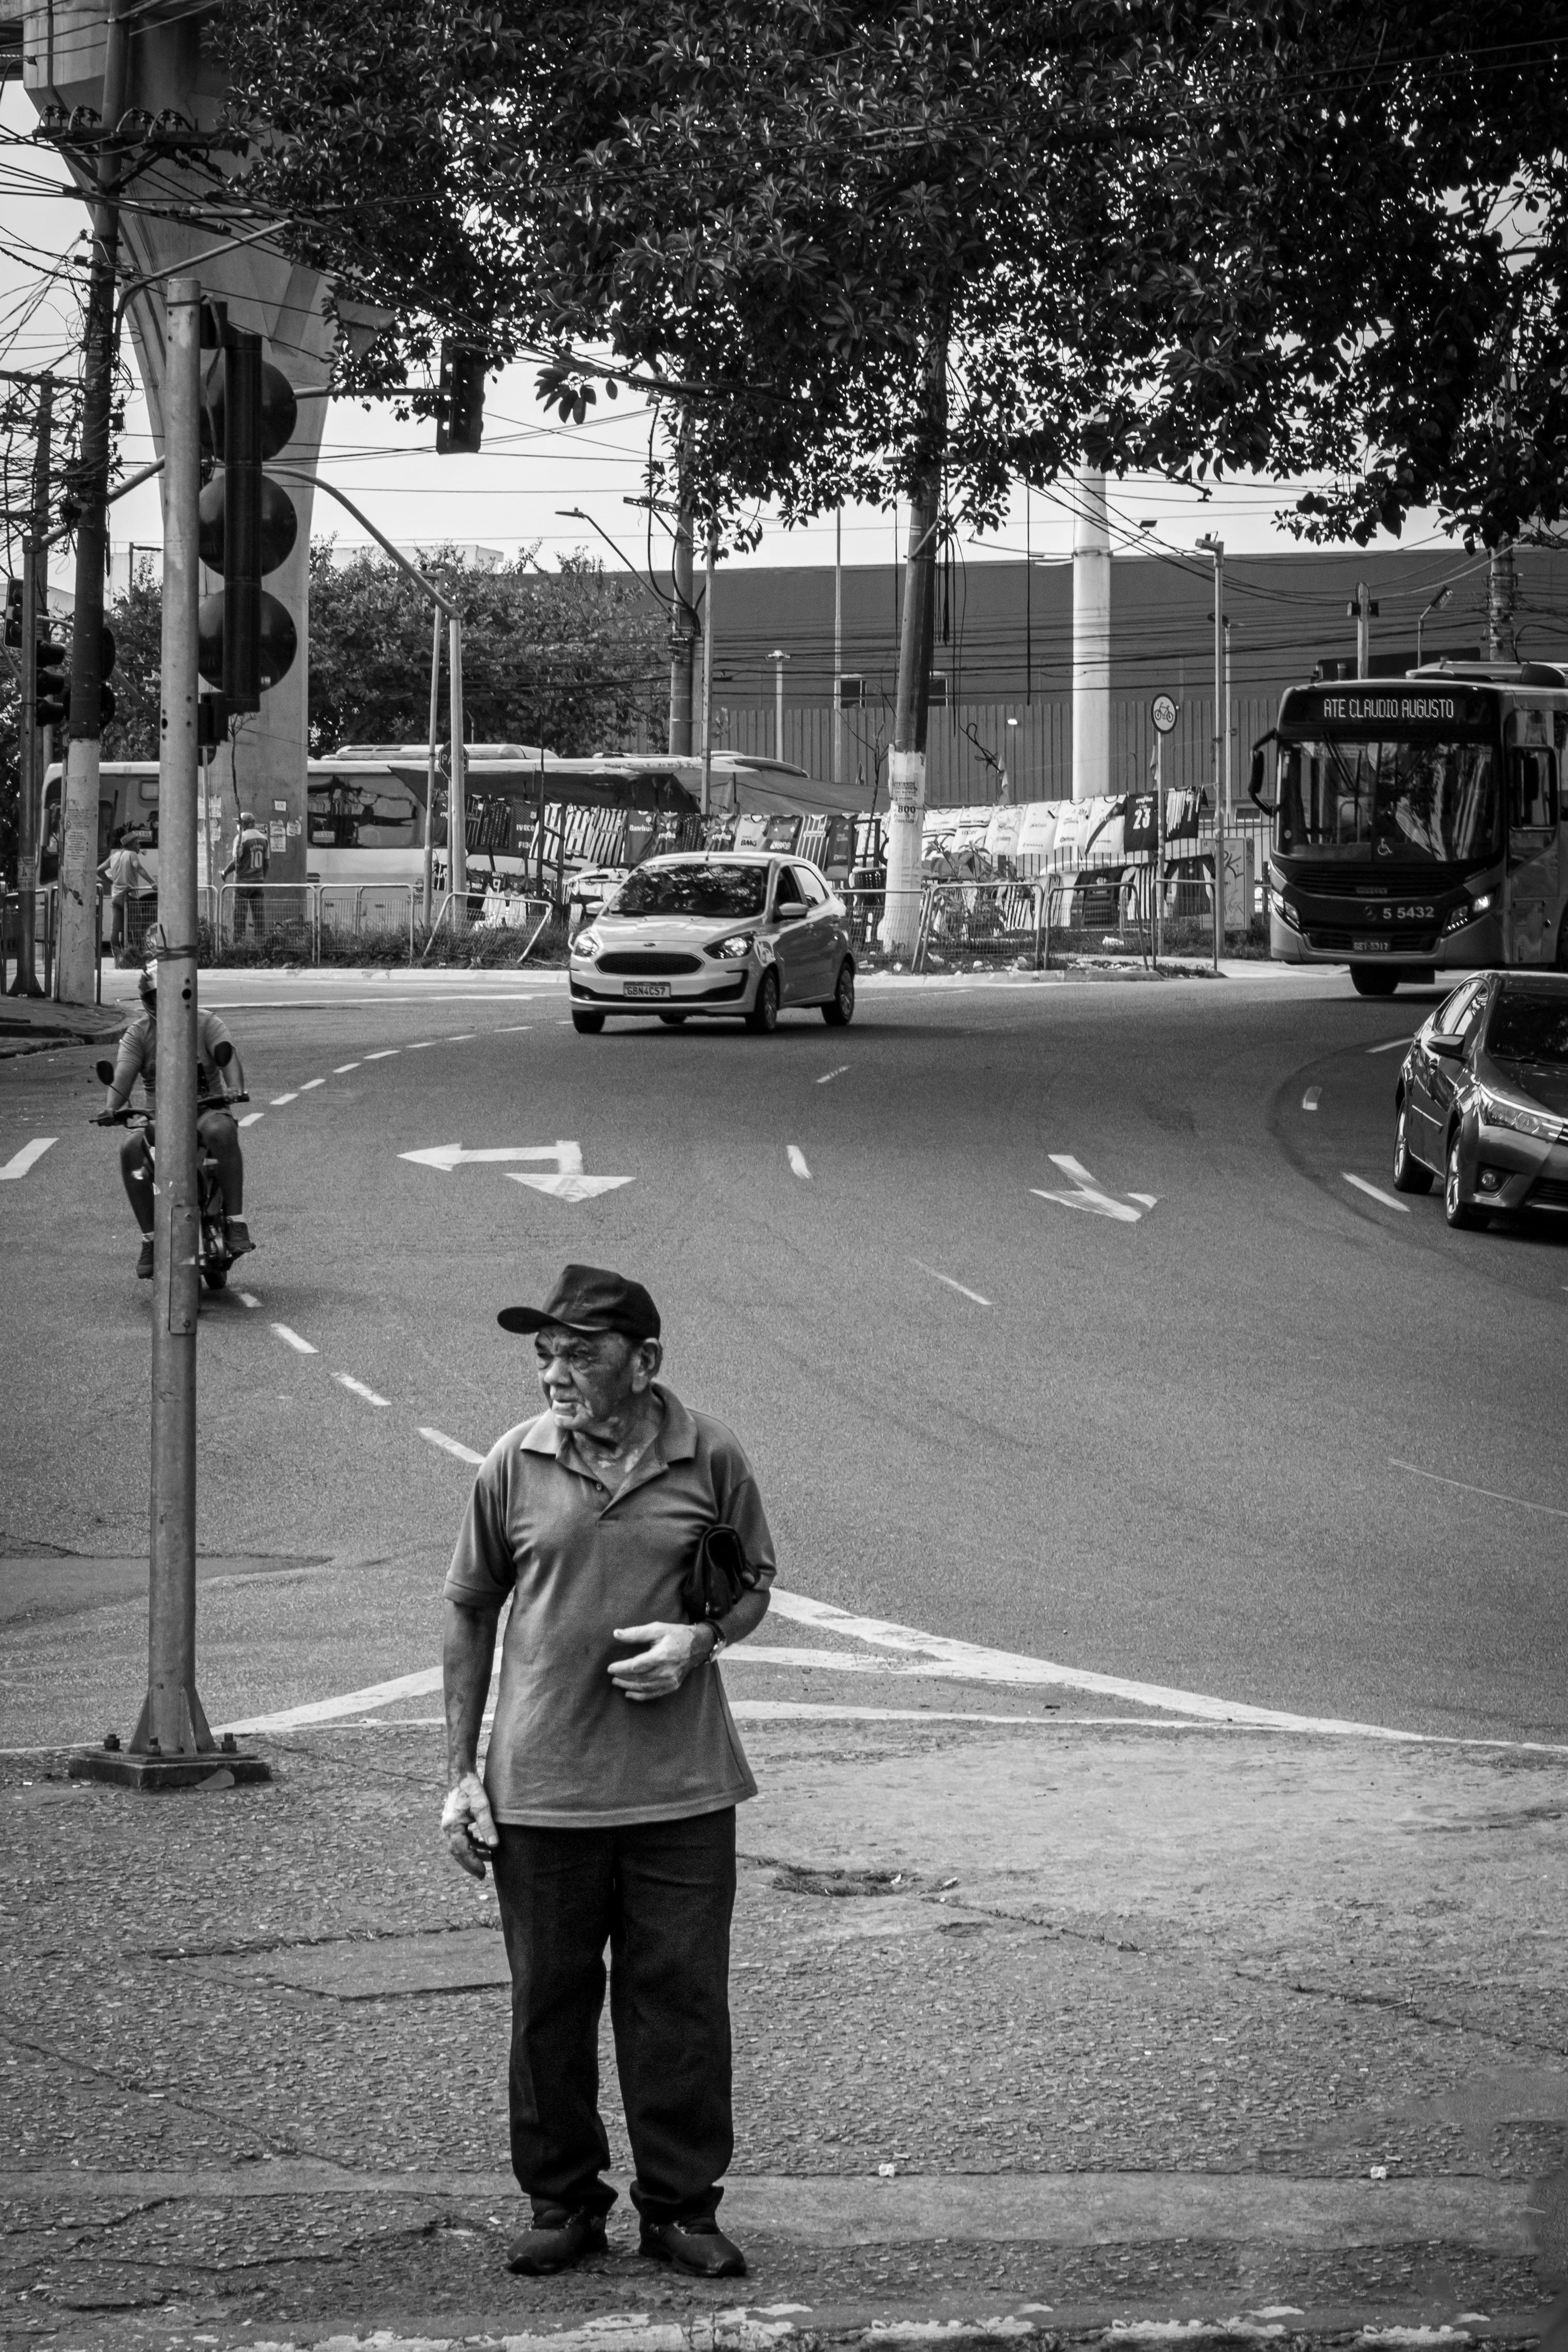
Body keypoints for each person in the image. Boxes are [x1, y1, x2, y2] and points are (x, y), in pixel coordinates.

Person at [442, 1264, 774, 2282]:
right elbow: (468, 1607)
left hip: (681, 1788)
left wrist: (701, 1638)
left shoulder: (707, 1453)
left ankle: (680, 2208)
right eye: (545, 1351)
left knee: (678, 2002)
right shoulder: (513, 1461)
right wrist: (459, 1773)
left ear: (645, 1361)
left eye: (580, 1350)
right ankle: (562, 2202)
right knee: (549, 2000)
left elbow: (754, 1583)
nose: (555, 1371)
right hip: (541, 1786)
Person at [104, 964, 253, 1277]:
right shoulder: (138, 1034)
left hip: (206, 1110)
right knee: (131, 1148)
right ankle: (151, 1238)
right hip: (159, 1119)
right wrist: (112, 1108)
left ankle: (237, 1222)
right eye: (158, 996)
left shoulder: (207, 1023)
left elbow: (228, 1058)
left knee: (221, 1129)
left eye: (173, 994)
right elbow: (122, 1080)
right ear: (147, 1000)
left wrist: (236, 1089)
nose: (167, 1003)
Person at [97, 828, 156, 963]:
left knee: (115, 929)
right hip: (130, 897)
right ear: (131, 845)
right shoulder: (131, 855)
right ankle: (137, 957)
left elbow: (99, 871)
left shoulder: (115, 856)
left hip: (116, 897)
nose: (139, 846)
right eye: (137, 844)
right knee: (135, 927)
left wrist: (111, 881)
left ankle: (118, 958)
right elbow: (139, 868)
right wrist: (152, 882)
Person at [223, 810, 269, 943]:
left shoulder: (240, 838)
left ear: (244, 825)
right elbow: (267, 863)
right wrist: (261, 878)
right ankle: (261, 942)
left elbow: (235, 862)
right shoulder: (264, 839)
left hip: (243, 884)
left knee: (240, 915)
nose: (238, 825)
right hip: (258, 883)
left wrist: (225, 872)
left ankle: (239, 943)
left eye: (239, 823)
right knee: (259, 915)